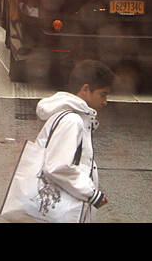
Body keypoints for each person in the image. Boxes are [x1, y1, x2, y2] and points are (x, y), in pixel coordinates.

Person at [25, 59, 111, 223]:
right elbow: (58, 166)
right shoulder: (72, 121)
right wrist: (91, 194)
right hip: (61, 213)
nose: (105, 101)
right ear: (85, 89)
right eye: (103, 94)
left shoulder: (71, 117)